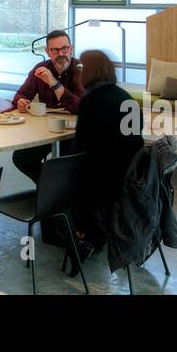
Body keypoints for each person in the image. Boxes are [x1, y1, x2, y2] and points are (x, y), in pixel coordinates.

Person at [73, 49, 145, 253]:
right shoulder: (127, 99)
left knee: (55, 175)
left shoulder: (92, 101)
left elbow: (80, 147)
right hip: (130, 175)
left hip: (103, 179)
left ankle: (85, 233)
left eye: (81, 67)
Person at [9, 29, 85, 187]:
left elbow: (79, 107)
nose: (61, 54)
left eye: (64, 48)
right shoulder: (41, 68)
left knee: (64, 163)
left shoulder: (81, 70)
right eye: (55, 50)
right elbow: (21, 94)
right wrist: (22, 101)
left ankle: (59, 193)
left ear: (71, 49)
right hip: (47, 130)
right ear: (47, 52)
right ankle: (50, 188)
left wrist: (54, 84)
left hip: (74, 132)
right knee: (22, 158)